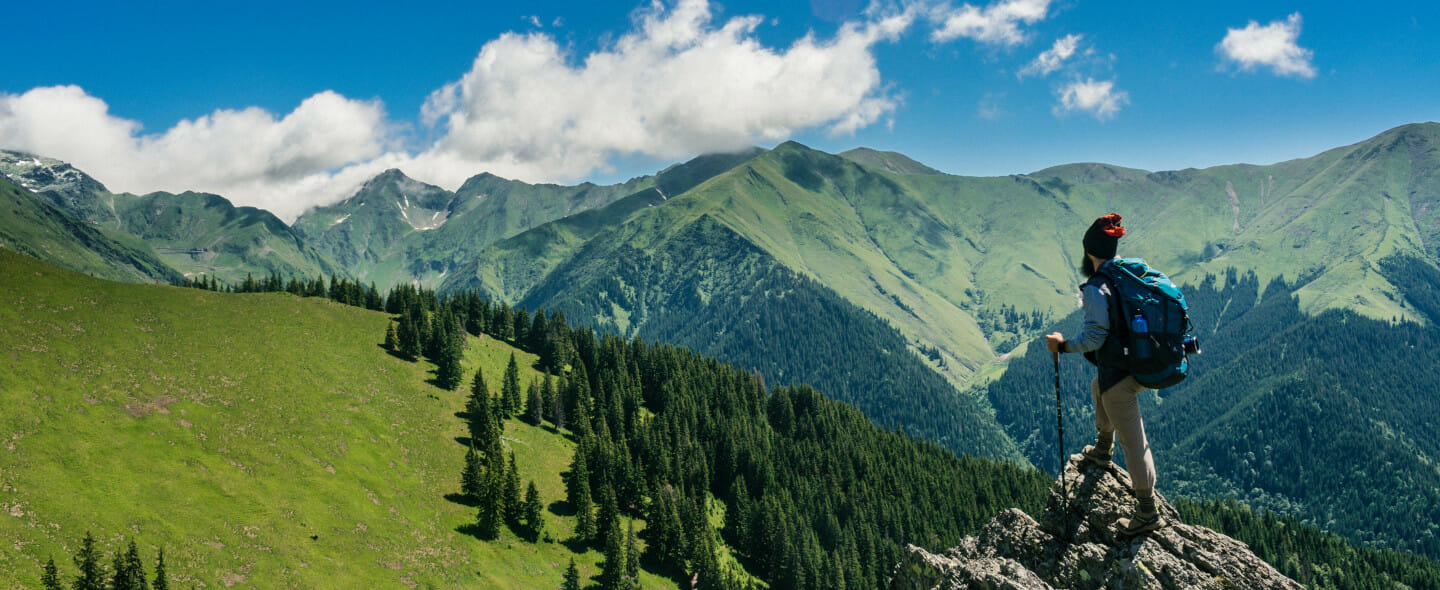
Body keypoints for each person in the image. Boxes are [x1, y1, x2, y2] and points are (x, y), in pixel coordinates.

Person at [1044, 213, 1163, 535]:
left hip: (1123, 372)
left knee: (1134, 441)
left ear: (1088, 253)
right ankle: (1101, 449)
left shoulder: (1099, 287)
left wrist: (1063, 345)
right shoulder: (1128, 272)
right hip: (1143, 359)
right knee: (1100, 387)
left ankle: (1147, 512)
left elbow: (1095, 338)